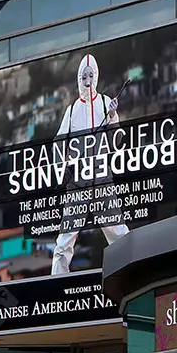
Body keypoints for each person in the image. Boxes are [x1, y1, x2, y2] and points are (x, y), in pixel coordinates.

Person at [50, 53, 130, 275]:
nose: (87, 81)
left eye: (90, 76)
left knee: (119, 234)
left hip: (103, 182)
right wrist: (64, 168)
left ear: (96, 77)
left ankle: (132, 276)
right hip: (77, 185)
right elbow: (58, 142)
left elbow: (118, 141)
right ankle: (55, 285)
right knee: (64, 242)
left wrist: (113, 117)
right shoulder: (72, 110)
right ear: (78, 78)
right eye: (83, 77)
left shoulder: (106, 103)